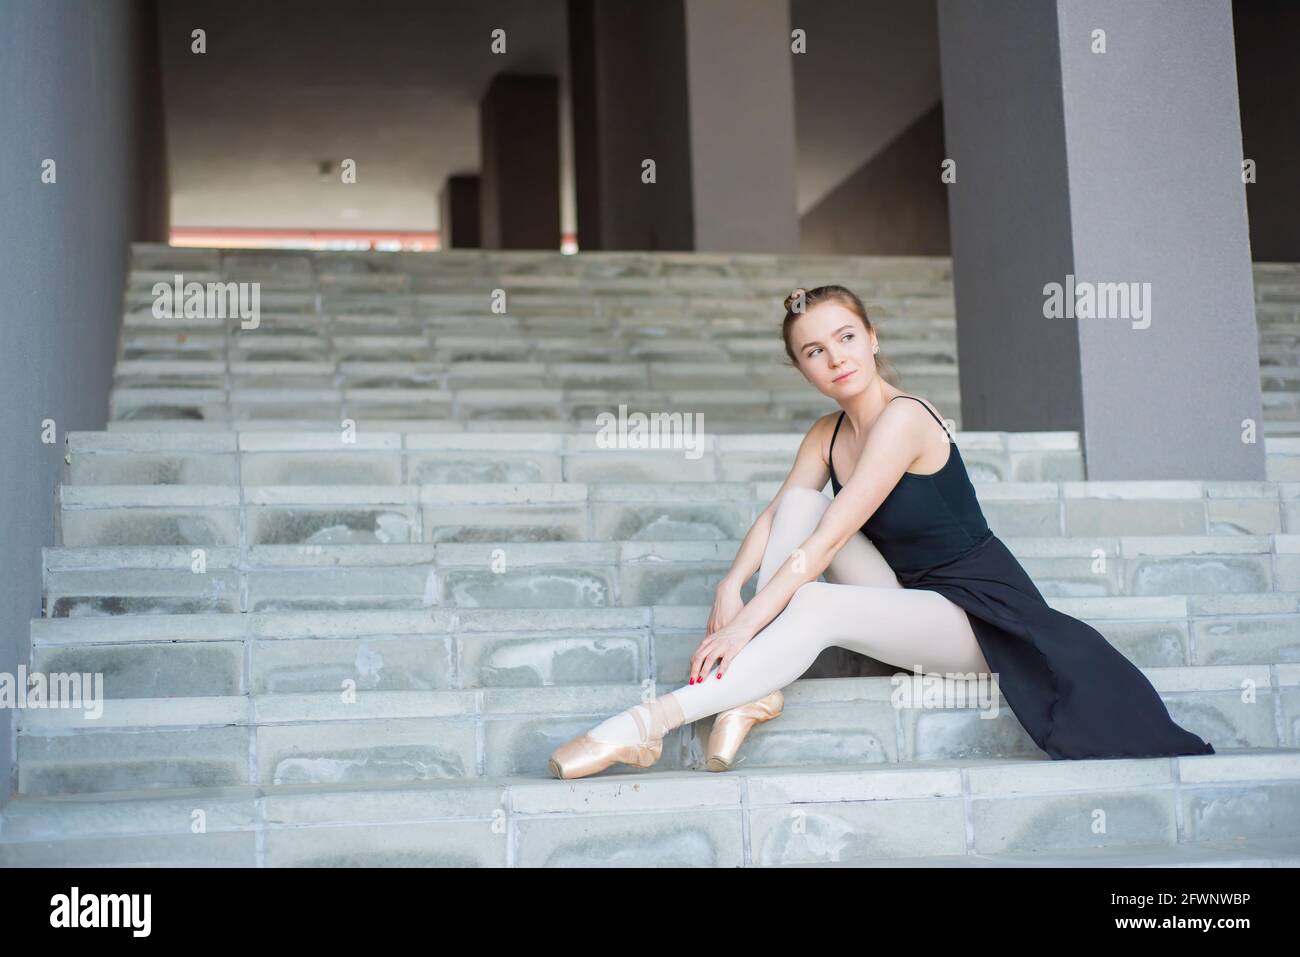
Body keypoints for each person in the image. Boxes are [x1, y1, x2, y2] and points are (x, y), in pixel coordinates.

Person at [548, 285, 1214, 779]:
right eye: (813, 350)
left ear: (872, 337)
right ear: (802, 368)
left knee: (813, 589)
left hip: (980, 618)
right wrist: (729, 584)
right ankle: (760, 688)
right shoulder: (827, 432)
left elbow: (829, 544)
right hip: (903, 597)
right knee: (798, 507)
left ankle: (650, 722)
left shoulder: (905, 418)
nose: (834, 357)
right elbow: (784, 515)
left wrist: (744, 624)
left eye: (844, 337)